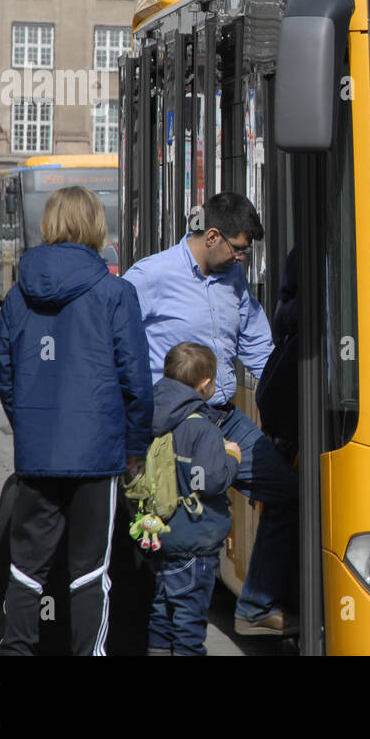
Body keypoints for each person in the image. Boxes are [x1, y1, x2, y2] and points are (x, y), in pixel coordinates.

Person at [123, 192, 298, 636]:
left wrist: (294, 397)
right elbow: (116, 340)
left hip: (224, 417)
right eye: (238, 248)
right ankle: (157, 622)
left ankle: (255, 606)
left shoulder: (233, 279)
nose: (243, 258)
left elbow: (259, 348)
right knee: (174, 522)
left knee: (288, 493)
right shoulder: (151, 275)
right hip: (177, 425)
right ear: (213, 236)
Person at [0, 186, 153, 656]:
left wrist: (29, 428)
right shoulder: (115, 293)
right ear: (96, 226)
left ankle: (16, 651)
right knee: (89, 572)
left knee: (26, 567)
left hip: (38, 454)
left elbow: (6, 374)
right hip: (98, 456)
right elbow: (137, 383)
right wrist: (135, 448)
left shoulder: (18, 295)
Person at [146, 342, 241, 656]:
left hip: (160, 536)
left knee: (161, 613)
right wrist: (231, 457)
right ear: (206, 384)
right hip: (194, 540)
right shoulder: (204, 429)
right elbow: (209, 481)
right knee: (189, 621)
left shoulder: (153, 417)